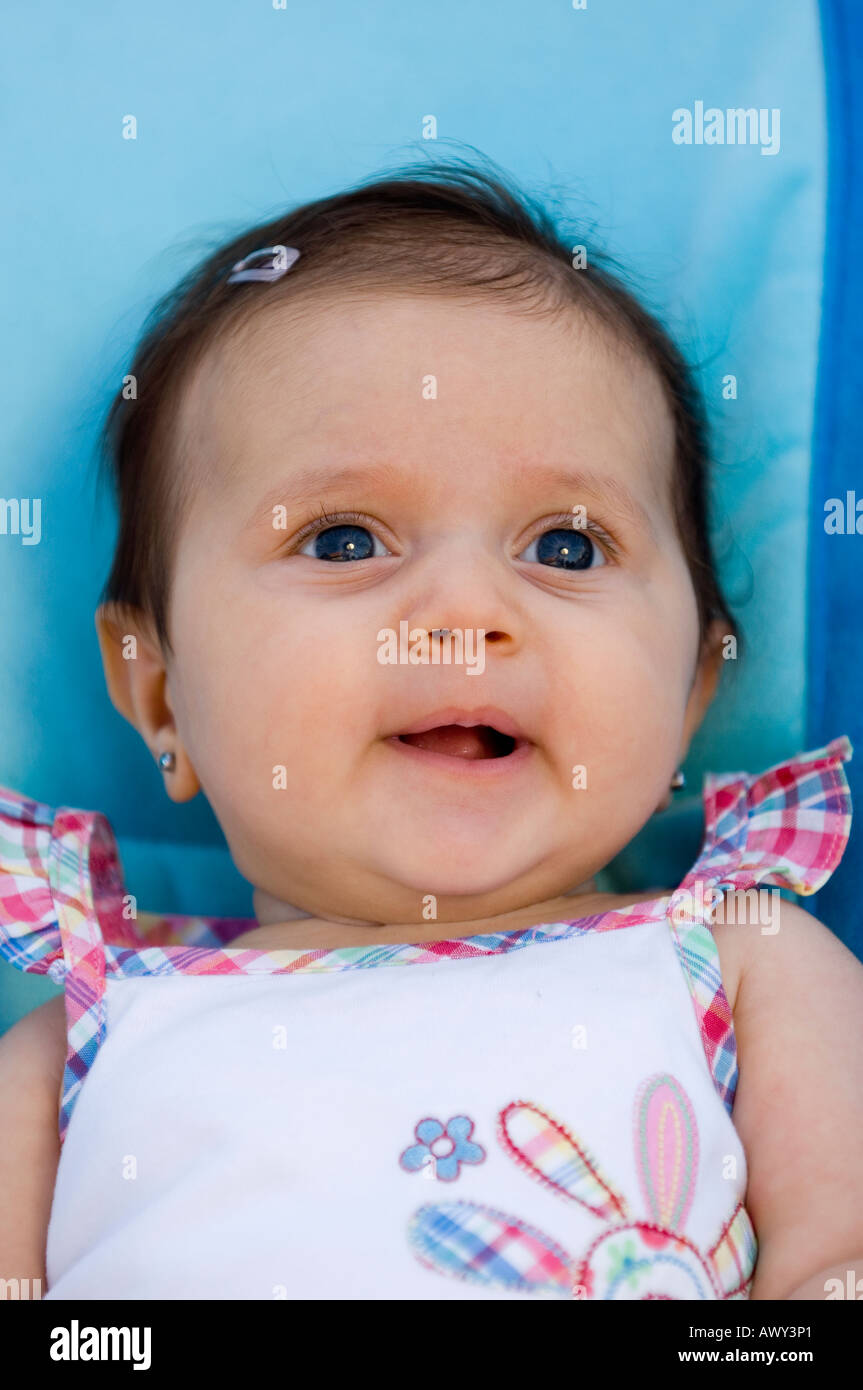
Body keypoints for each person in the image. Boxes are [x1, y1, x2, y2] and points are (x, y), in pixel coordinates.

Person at [1, 161, 860, 1300]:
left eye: (565, 546)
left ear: (693, 687)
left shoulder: (740, 958)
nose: (466, 612)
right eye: (344, 539)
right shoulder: (79, 1046)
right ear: (158, 691)